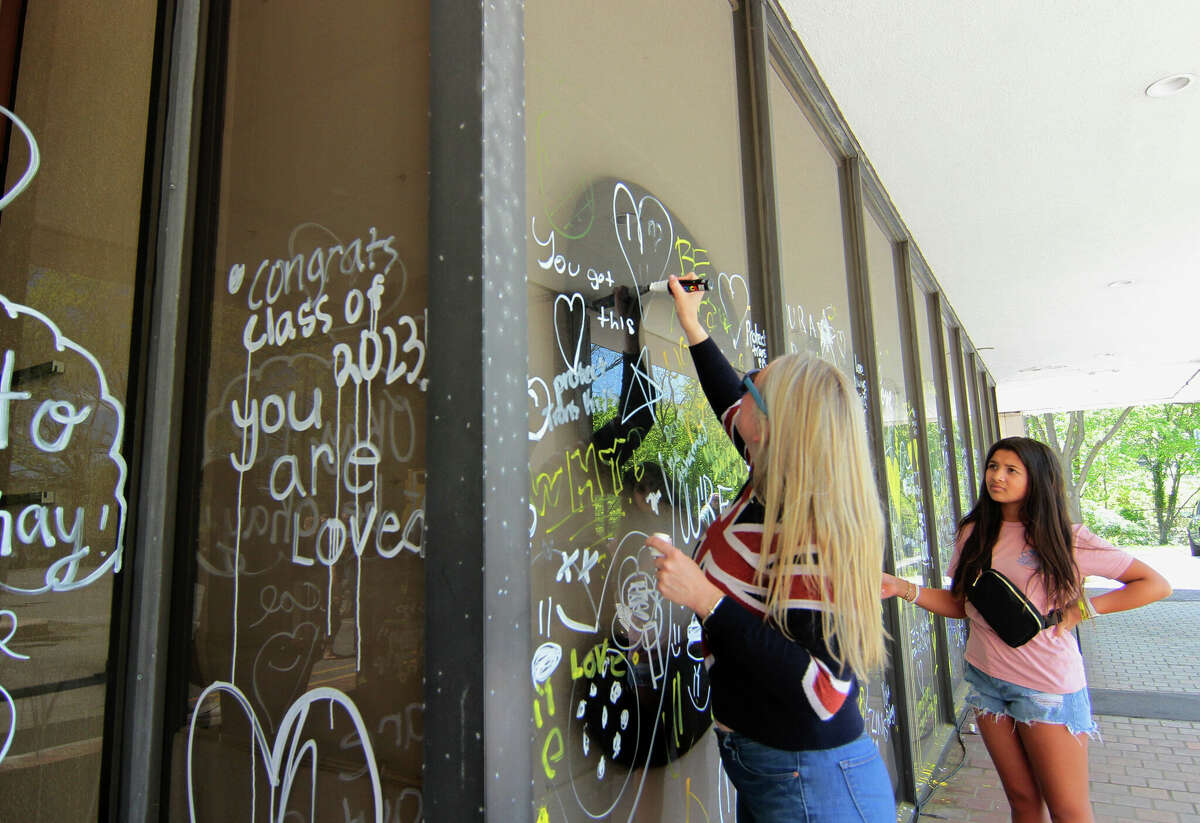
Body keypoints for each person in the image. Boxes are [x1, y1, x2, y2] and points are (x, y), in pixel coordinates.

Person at [649, 273, 895, 822]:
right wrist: (691, 324)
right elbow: (723, 396)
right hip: (775, 769)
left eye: (752, 385)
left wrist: (706, 598)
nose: (740, 390)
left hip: (812, 783)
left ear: (772, 425)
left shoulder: (812, 531)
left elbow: (826, 690)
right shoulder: (772, 478)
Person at [882, 436, 1172, 823]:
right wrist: (902, 588)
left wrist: (1083, 609)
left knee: (1068, 810)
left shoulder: (1066, 538)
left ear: (1036, 478)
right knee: (1021, 800)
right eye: (992, 466)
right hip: (986, 683)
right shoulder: (974, 532)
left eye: (1010, 470)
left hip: (1046, 688)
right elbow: (960, 605)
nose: (996, 476)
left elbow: (1154, 584)